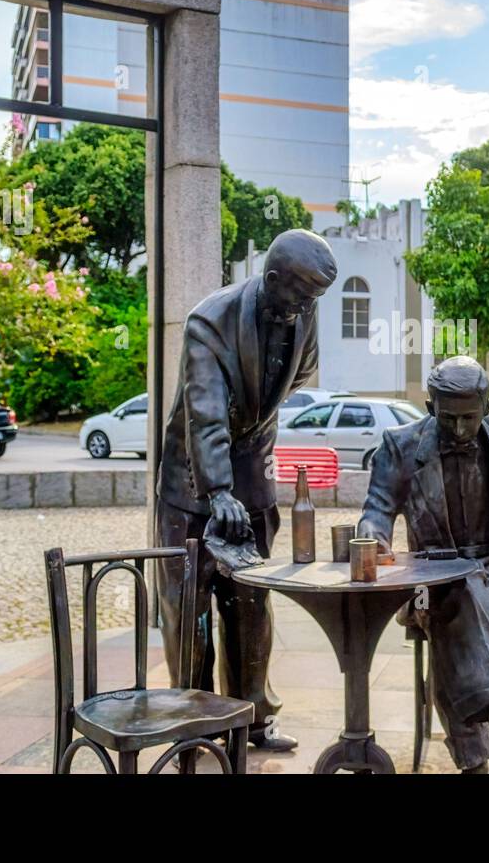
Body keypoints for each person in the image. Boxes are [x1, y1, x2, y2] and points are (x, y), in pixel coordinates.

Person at [156, 228, 338, 753]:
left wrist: (250, 455)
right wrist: (217, 491)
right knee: (189, 606)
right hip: (192, 482)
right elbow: (206, 415)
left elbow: (300, 373)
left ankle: (253, 718)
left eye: (314, 299)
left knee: (251, 602)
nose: (307, 306)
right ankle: (194, 722)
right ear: (273, 279)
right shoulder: (208, 321)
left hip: (254, 468)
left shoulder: (303, 306)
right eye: (301, 296)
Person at [356, 355, 489, 772]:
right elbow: (376, 509)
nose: (460, 429)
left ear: (487, 408)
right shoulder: (400, 445)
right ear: (431, 407)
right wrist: (375, 541)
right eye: (448, 418)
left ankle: (474, 763)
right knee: (460, 594)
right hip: (430, 583)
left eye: (470, 417)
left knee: (465, 610)